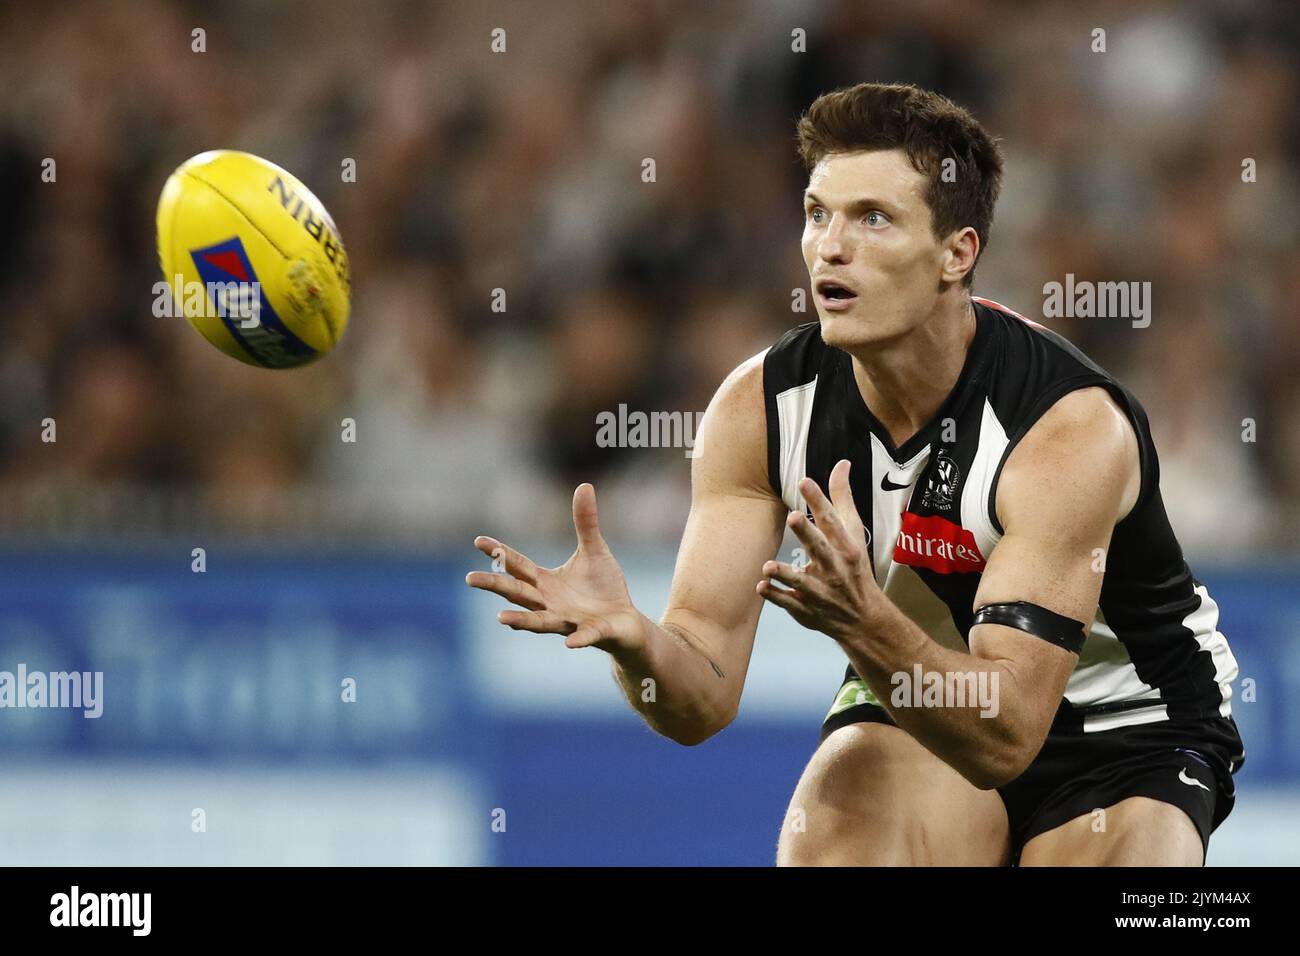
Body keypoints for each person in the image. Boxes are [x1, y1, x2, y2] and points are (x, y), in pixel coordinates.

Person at [466, 82, 1244, 866]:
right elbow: (698, 698)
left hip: (1129, 726)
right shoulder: (758, 409)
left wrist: (867, 622)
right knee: (835, 844)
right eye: (816, 214)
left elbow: (1008, 732)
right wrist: (636, 645)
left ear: (957, 252)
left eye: (873, 218)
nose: (830, 246)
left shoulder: (1064, 430)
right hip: (916, 693)